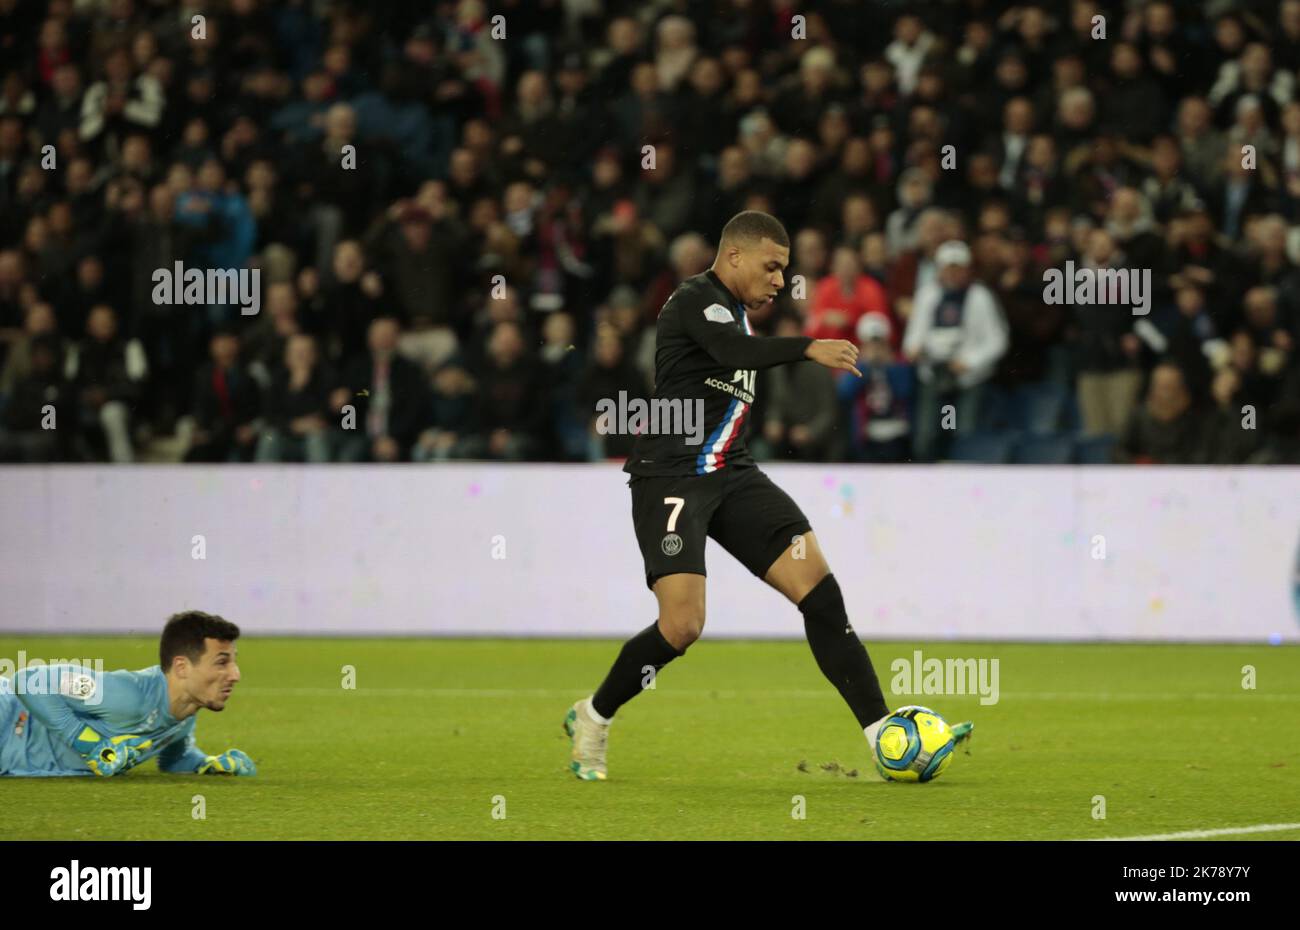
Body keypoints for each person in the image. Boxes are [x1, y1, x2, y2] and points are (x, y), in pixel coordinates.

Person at [564, 211, 972, 781]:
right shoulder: (695, 301)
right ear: (734, 256)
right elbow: (731, 353)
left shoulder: (736, 314)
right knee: (682, 627)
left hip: (734, 475)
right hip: (672, 477)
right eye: (773, 266)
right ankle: (593, 715)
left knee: (821, 594)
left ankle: (882, 734)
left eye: (785, 270)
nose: (781, 280)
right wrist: (809, 347)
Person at [0, 611, 255, 778]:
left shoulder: (184, 715)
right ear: (182, 667)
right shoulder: (127, 696)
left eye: (234, 661)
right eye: (222, 662)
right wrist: (91, 745)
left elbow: (175, 759)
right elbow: (27, 680)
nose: (235, 674)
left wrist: (207, 765)